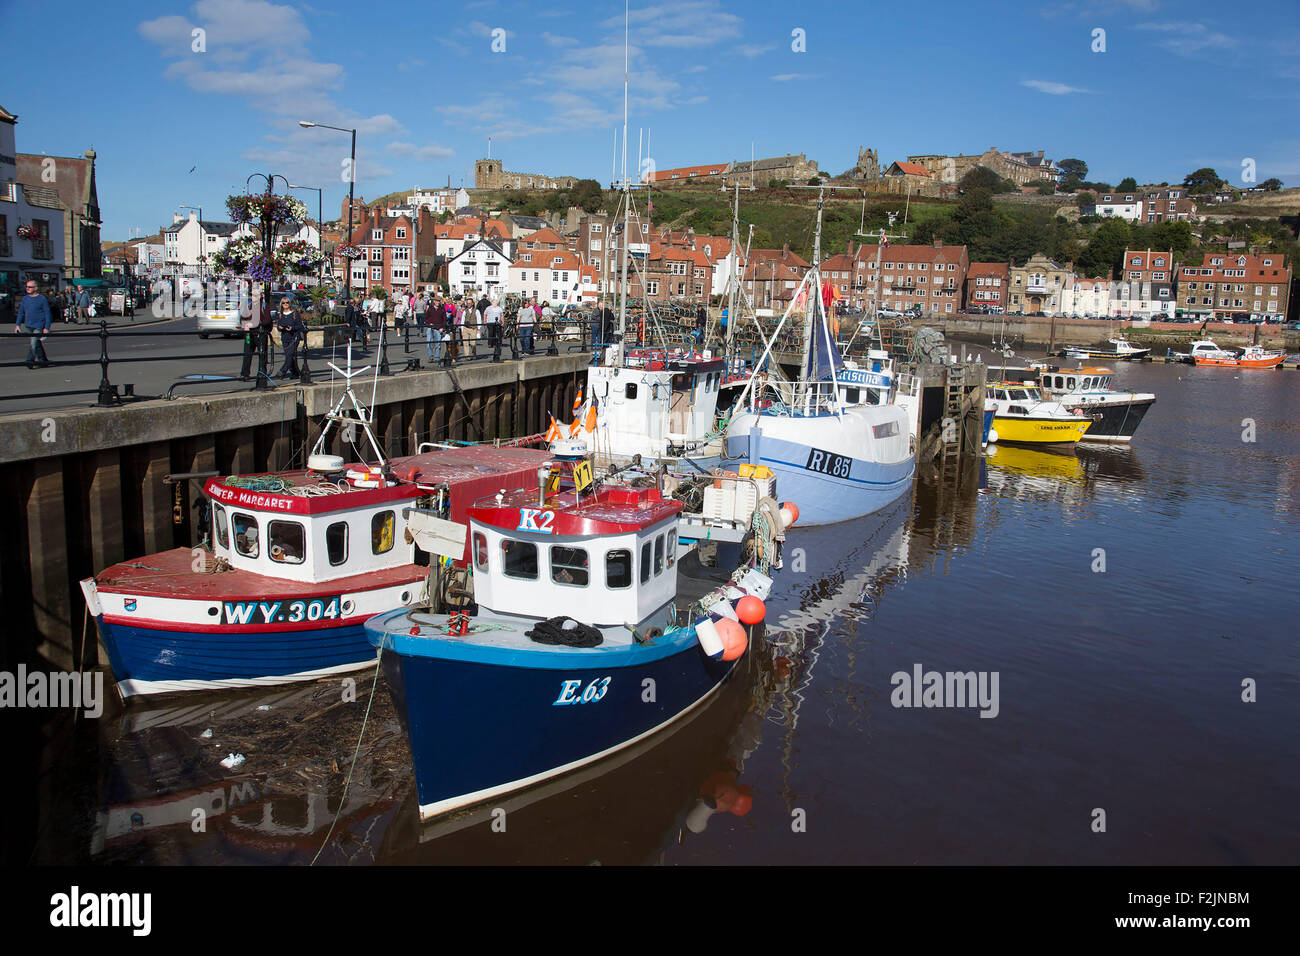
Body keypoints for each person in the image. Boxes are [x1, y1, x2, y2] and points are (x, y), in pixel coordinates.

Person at [15, 279, 53, 368]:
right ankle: (43, 361)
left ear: (35, 288)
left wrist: (47, 327)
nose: (27, 288)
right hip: (28, 325)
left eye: (30, 287)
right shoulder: (25, 298)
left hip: (39, 325)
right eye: (26, 287)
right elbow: (21, 312)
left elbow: (47, 313)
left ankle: (29, 361)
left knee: (33, 343)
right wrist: (18, 325)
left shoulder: (42, 299)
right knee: (37, 343)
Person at [275, 293, 306, 379]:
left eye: (287, 303)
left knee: (290, 355)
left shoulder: (294, 314)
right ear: (281, 304)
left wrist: (292, 328)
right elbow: (278, 326)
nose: (285, 304)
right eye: (283, 303)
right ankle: (295, 373)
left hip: (294, 337)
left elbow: (300, 326)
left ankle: (282, 371)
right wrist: (280, 328)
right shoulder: (281, 314)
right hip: (285, 337)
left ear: (290, 303)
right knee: (290, 356)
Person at [238, 288, 263, 381]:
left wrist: (253, 324)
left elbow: (266, 320)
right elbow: (243, 318)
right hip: (249, 334)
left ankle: (261, 374)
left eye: (256, 295)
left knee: (262, 355)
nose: (254, 297)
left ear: (260, 296)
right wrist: (245, 325)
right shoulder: (249, 305)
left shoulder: (263, 306)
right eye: (252, 295)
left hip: (259, 334)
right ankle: (245, 374)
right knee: (247, 354)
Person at [483, 296, 503, 362]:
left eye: (496, 302)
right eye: (494, 302)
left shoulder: (499, 308)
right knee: (490, 333)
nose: (495, 303)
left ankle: (495, 343)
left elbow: (502, 315)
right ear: (492, 303)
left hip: (497, 323)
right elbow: (485, 314)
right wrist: (485, 321)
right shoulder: (488, 308)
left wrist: (502, 322)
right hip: (490, 322)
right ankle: (490, 343)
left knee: (496, 333)